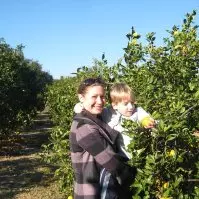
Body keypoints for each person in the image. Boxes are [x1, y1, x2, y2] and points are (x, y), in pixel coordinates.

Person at [70, 78, 137, 199]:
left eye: (102, 96)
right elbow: (111, 161)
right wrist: (133, 176)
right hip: (92, 192)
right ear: (81, 98)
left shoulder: (94, 118)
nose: (100, 101)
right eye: (94, 97)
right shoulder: (84, 127)